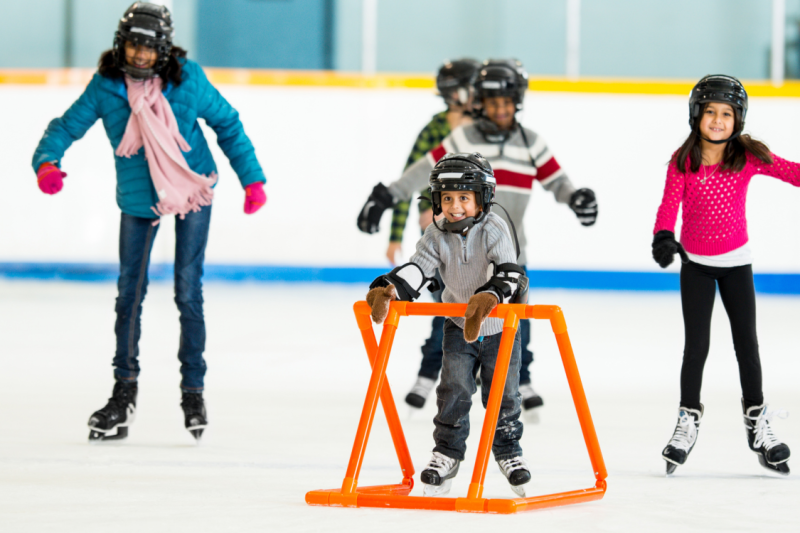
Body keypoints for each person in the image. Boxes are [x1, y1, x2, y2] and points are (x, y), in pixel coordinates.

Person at [32, 2, 266, 442]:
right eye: (133, 46)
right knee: (129, 294)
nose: (140, 56)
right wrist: (47, 162)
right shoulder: (106, 86)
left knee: (187, 290)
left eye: (149, 48)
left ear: (164, 50)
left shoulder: (188, 79)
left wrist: (251, 180)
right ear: (121, 44)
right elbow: (65, 127)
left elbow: (228, 125)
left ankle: (193, 392)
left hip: (191, 189)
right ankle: (123, 394)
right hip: (140, 198)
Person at [358, 59, 598, 413]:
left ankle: (520, 377)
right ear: (479, 102)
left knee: (517, 315)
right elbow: (424, 170)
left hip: (511, 253)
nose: (499, 110)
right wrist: (387, 196)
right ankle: (445, 373)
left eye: (506, 103)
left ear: (517, 102)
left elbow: (556, 181)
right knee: (453, 310)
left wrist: (575, 198)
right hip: (461, 250)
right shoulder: (464, 139)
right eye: (492, 102)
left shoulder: (531, 143)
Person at [366, 153, 530, 497]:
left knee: (503, 393)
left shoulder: (494, 228)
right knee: (453, 389)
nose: (455, 206)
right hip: (458, 324)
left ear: (483, 198)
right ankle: (447, 453)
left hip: (501, 326)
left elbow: (509, 272)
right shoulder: (436, 233)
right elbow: (419, 268)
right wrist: (391, 288)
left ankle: (509, 452)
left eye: (464, 197)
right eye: (447, 198)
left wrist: (489, 297)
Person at [652, 75, 793, 475]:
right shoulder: (683, 161)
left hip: (737, 266)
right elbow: (668, 206)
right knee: (696, 346)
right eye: (710, 111)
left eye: (726, 113)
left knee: (747, 343)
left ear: (738, 119)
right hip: (696, 265)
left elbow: (791, 172)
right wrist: (663, 235)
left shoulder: (746, 157)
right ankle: (687, 419)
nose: (717, 120)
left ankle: (757, 422)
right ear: (696, 115)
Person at [383, 58, 480, 409]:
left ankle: (477, 372)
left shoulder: (484, 128)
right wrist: (395, 235)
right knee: (446, 307)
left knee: (481, 304)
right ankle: (428, 375)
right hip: (439, 234)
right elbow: (408, 178)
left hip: (480, 234)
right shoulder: (435, 129)